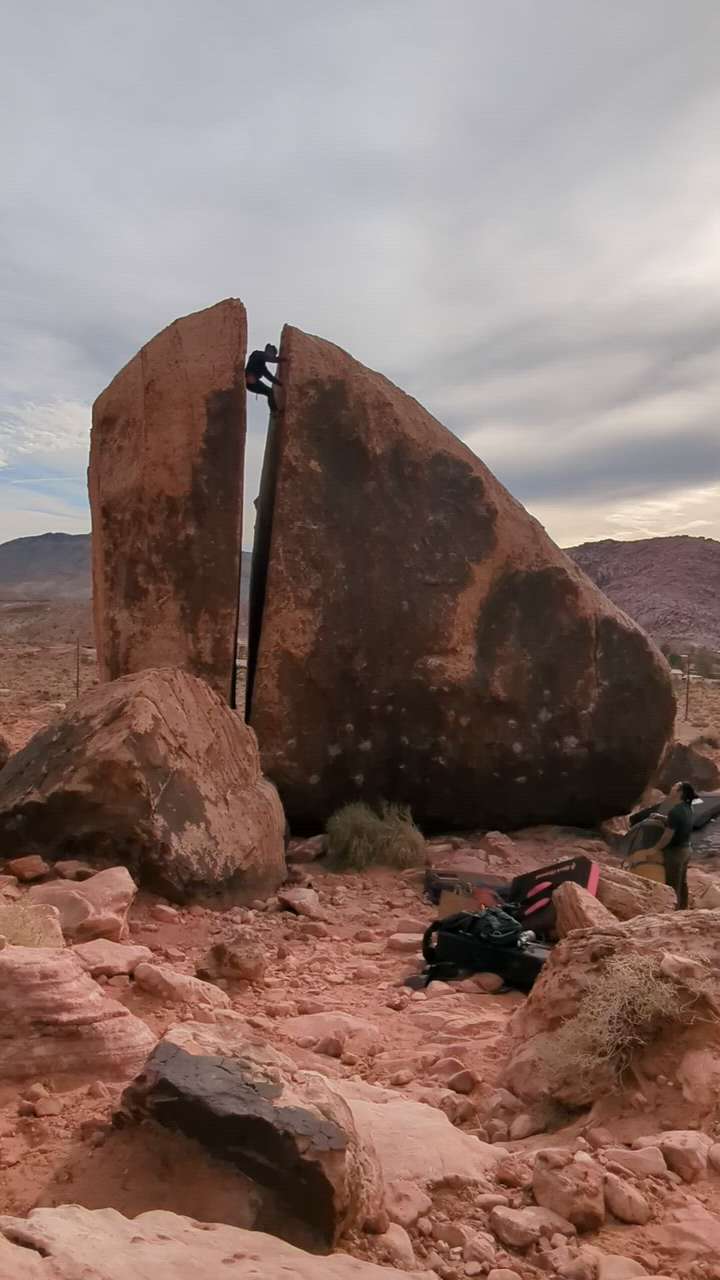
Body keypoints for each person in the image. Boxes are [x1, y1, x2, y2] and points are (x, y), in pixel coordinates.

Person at [626, 780, 698, 909]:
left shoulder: (675, 811)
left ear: (679, 792)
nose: (671, 788)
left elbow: (667, 836)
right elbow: (678, 823)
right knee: (682, 881)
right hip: (686, 850)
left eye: (674, 787)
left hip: (675, 852)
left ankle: (673, 912)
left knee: (672, 883)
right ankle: (683, 908)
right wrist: (661, 817)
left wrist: (654, 849)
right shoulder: (687, 807)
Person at [245, 343, 284, 412]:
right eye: (273, 355)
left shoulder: (262, 367)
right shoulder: (257, 354)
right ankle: (275, 412)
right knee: (269, 391)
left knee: (269, 392)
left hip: (253, 384)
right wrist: (282, 360)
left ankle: (275, 412)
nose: (273, 357)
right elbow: (268, 358)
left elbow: (270, 377)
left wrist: (281, 384)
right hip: (246, 378)